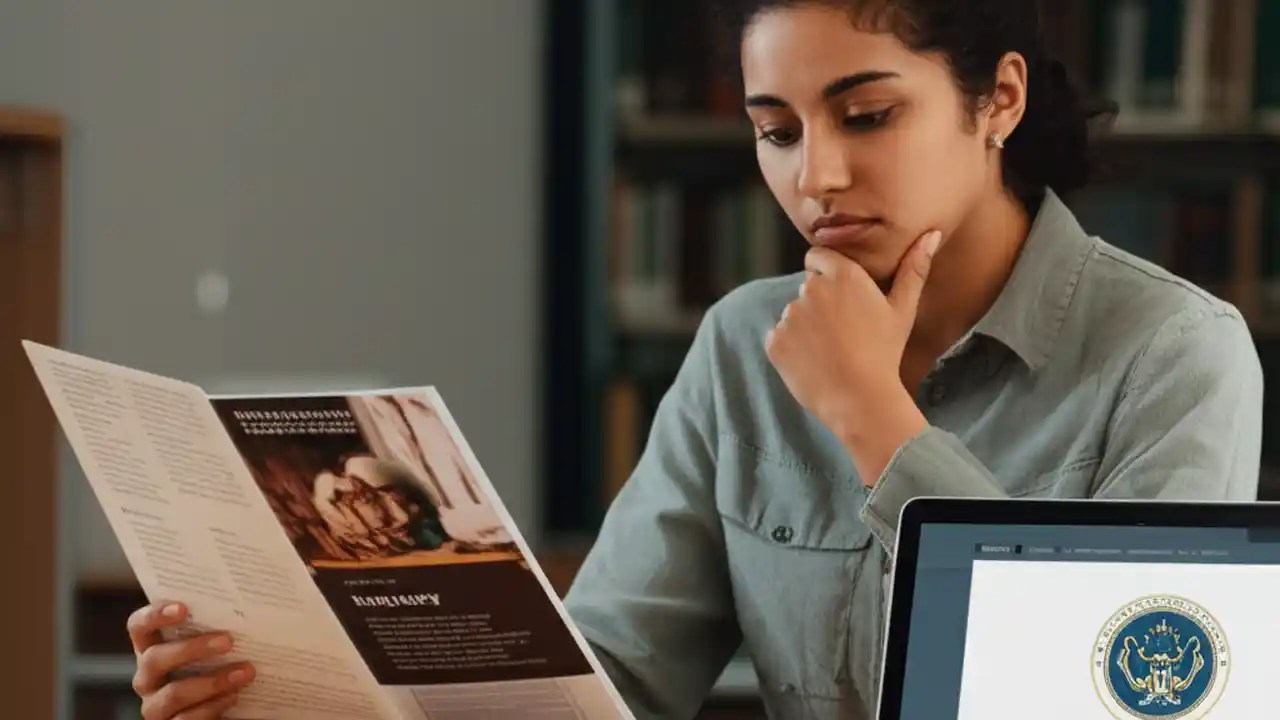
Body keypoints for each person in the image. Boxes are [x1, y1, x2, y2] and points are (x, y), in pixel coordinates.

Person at [123, 2, 1264, 718]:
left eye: (864, 114)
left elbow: (1106, 699)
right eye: (776, 130)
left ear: (996, 98)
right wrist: (307, 696)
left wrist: (871, 415)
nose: (813, 178)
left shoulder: (1174, 354)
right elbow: (609, 680)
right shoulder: (741, 343)